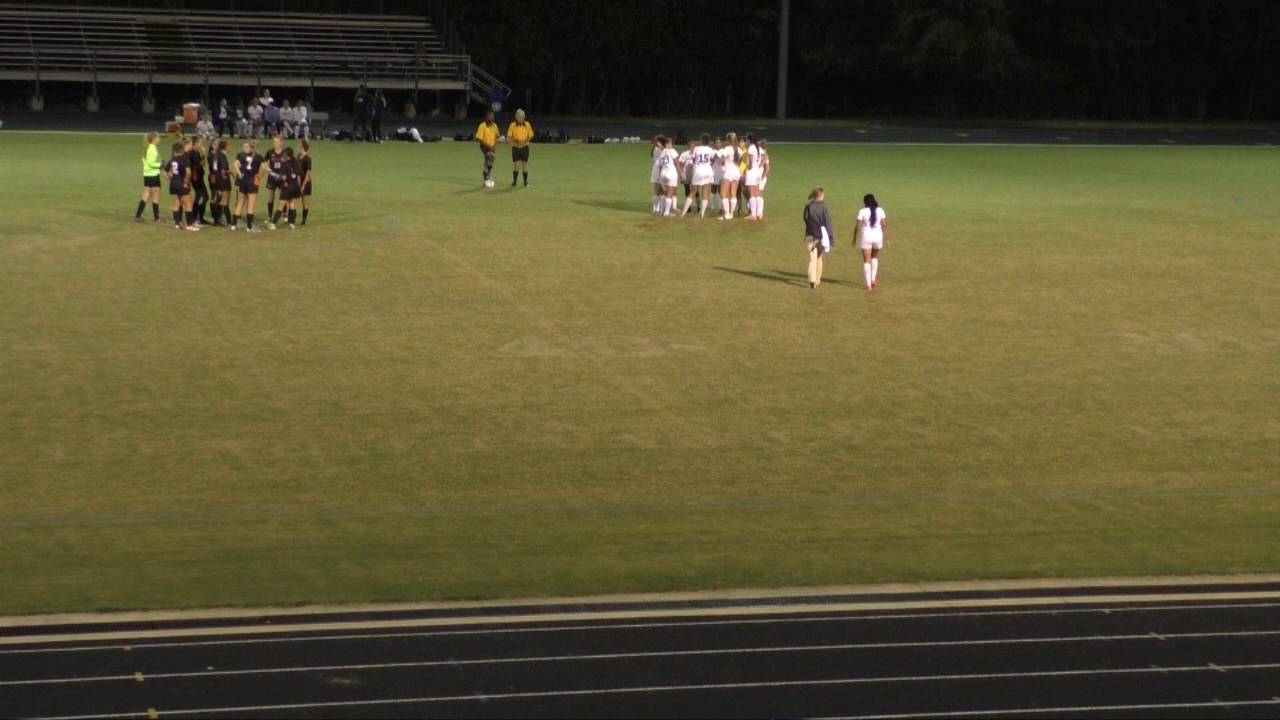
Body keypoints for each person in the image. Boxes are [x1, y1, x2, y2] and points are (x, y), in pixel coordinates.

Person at [804, 187, 836, 290]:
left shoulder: (808, 207)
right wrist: (831, 239)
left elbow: (806, 220)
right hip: (822, 236)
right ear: (821, 196)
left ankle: (812, 280)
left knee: (812, 259)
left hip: (810, 235)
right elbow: (828, 224)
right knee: (819, 258)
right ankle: (817, 280)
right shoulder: (825, 208)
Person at [856, 193, 888, 292]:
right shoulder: (880, 210)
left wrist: (854, 238)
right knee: (874, 257)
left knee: (866, 261)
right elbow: (884, 225)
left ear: (865, 202)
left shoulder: (862, 211)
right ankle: (873, 279)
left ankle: (868, 285)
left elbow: (857, 227)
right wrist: (887, 238)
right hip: (878, 236)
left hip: (866, 236)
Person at [164, 140, 198, 231]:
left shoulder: (171, 159)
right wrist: (186, 181)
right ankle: (190, 225)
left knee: (176, 203)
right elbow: (188, 172)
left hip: (173, 183)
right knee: (188, 203)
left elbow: (165, 171)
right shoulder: (184, 159)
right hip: (181, 183)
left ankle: (177, 224)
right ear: (182, 149)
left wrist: (169, 178)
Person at [231, 140, 263, 232]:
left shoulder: (242, 155)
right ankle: (249, 227)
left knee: (240, 202)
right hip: (252, 181)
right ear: (256, 147)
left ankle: (233, 225)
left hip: (243, 181)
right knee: (251, 205)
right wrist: (259, 176)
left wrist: (240, 173)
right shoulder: (259, 157)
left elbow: (235, 164)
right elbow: (264, 167)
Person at [682, 134, 716, 218]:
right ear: (708, 141)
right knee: (705, 192)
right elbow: (713, 160)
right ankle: (702, 214)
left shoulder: (697, 149)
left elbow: (693, 160)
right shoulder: (710, 149)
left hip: (699, 171)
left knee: (693, 191)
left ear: (701, 140)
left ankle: (683, 213)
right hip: (708, 171)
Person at [134, 131, 163, 223]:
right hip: (153, 175)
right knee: (155, 195)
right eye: (158, 137)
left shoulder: (150, 147)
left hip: (148, 174)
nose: (159, 139)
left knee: (146, 194)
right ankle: (156, 218)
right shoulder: (152, 149)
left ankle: (138, 216)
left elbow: (145, 161)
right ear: (154, 139)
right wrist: (160, 165)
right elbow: (151, 163)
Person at [272, 147, 301, 230]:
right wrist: (298, 187)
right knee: (292, 205)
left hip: (287, 188)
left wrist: (277, 176)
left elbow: (284, 177)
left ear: (287, 155)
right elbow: (298, 176)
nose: (283, 155)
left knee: (280, 206)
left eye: (284, 154)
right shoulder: (296, 163)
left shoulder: (285, 164)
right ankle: (292, 224)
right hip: (295, 187)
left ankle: (273, 223)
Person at [263, 135, 288, 229]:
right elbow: (264, 163)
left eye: (277, 142)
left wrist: (285, 176)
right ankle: (270, 216)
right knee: (271, 197)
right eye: (274, 141)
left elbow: (288, 165)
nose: (275, 143)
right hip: (272, 178)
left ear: (281, 143)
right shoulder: (269, 152)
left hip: (281, 178)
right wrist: (269, 170)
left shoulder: (285, 153)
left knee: (283, 196)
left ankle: (284, 215)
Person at [506, 109, 534, 187]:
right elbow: (509, 136)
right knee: (516, 165)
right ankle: (514, 182)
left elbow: (531, 135)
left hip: (525, 147)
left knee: (525, 164)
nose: (520, 118)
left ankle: (525, 182)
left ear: (524, 117)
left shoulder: (527, 124)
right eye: (518, 116)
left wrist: (525, 141)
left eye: (522, 116)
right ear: (516, 117)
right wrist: (515, 141)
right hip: (515, 147)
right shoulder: (512, 125)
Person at [208, 138, 233, 226]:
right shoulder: (222, 156)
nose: (230, 147)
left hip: (217, 180)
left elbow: (215, 169)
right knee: (224, 201)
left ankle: (216, 219)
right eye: (229, 146)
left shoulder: (215, 155)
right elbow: (223, 171)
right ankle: (228, 220)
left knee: (216, 199)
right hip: (223, 181)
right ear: (225, 147)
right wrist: (230, 172)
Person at [186, 135, 210, 225]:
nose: (202, 144)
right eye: (200, 142)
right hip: (195, 177)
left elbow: (203, 164)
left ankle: (199, 217)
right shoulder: (191, 153)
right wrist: (203, 154)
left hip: (200, 176)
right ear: (195, 143)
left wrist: (203, 155)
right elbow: (199, 163)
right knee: (201, 196)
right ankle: (195, 217)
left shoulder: (197, 152)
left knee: (203, 197)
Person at [474, 110, 500, 187]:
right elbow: (480, 139)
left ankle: (485, 180)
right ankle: (489, 174)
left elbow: (496, 136)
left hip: (492, 147)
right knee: (492, 156)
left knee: (487, 162)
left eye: (493, 117)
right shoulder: (482, 126)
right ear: (486, 117)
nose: (491, 118)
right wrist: (490, 148)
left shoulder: (495, 126)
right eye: (490, 117)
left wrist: (494, 146)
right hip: (484, 146)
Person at [719, 131, 741, 221]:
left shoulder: (728, 148)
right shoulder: (739, 149)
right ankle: (731, 213)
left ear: (728, 140)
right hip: (736, 172)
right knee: (733, 194)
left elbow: (721, 158)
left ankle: (727, 214)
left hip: (728, 172)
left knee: (723, 193)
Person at [657, 136, 680, 217]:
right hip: (671, 172)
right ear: (669, 144)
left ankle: (661, 211)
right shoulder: (672, 150)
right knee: (670, 193)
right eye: (671, 143)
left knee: (664, 193)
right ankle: (667, 213)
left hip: (663, 173)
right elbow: (677, 163)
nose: (671, 145)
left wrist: (660, 176)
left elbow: (659, 166)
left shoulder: (662, 152)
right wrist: (680, 174)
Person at [744, 134, 764, 221]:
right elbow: (763, 160)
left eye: (746, 140)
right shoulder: (759, 148)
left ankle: (753, 215)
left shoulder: (751, 148)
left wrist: (749, 166)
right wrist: (758, 166)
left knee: (752, 194)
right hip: (757, 171)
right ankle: (759, 213)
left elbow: (751, 159)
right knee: (757, 193)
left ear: (749, 140)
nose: (746, 142)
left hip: (752, 171)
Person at [298, 139, 313, 225]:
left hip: (305, 183)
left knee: (304, 202)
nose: (298, 147)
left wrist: (303, 185)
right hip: (298, 182)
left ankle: (304, 220)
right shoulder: (298, 156)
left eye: (300, 145)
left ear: (303, 147)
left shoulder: (308, 159)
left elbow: (308, 173)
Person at [677, 140, 695, 210]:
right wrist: (681, 174)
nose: (692, 147)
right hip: (686, 173)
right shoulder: (684, 154)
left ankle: (699, 206)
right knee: (687, 190)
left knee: (695, 191)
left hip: (694, 173)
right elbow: (681, 164)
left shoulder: (696, 154)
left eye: (693, 146)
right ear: (688, 147)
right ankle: (689, 207)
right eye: (691, 146)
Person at [650, 136, 664, 215]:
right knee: (659, 190)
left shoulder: (655, 149)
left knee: (659, 191)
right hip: (659, 170)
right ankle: (656, 208)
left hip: (657, 170)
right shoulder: (658, 150)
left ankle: (657, 208)